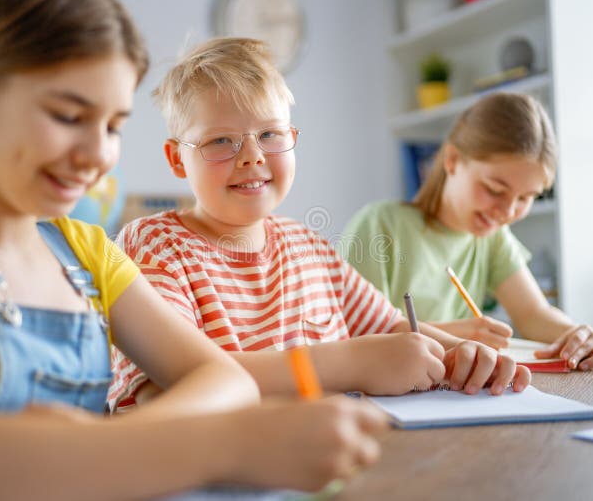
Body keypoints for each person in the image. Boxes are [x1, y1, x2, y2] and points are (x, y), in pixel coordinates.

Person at [0, 0, 391, 498]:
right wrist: (209, 446)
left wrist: (109, 445)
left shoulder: (83, 252)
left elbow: (226, 379)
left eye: (113, 126)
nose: (99, 157)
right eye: (68, 115)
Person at [110, 37, 530, 409]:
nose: (253, 156)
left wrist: (462, 354)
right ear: (175, 158)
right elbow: (169, 385)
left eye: (271, 135)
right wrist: (351, 362)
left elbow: (393, 328)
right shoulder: (155, 244)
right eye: (221, 140)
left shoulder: (308, 246)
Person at [343, 92, 593, 371]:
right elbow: (359, 330)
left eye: (525, 197)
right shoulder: (378, 225)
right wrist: (452, 337)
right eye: (495, 190)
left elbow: (533, 314)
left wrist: (575, 335)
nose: (507, 211)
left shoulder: (492, 237)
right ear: (452, 160)